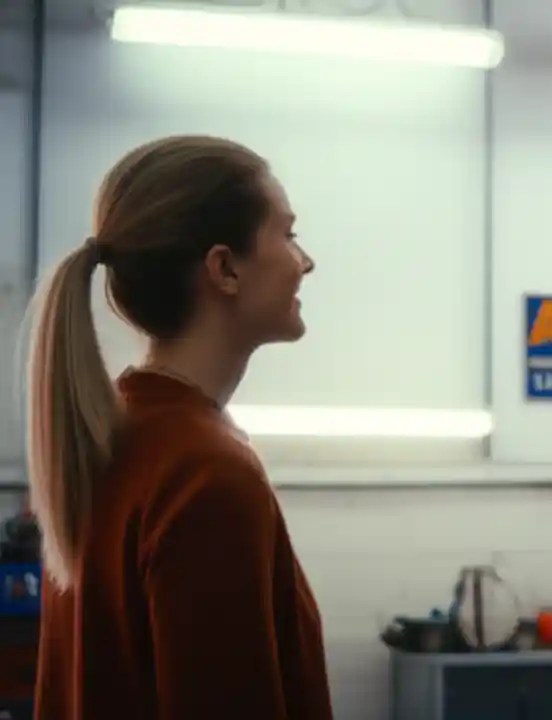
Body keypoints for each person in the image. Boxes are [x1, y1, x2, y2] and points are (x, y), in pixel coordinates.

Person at [24, 135, 332, 719]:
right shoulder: (205, 472)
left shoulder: (111, 432)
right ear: (224, 268)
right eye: (288, 235)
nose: (305, 261)